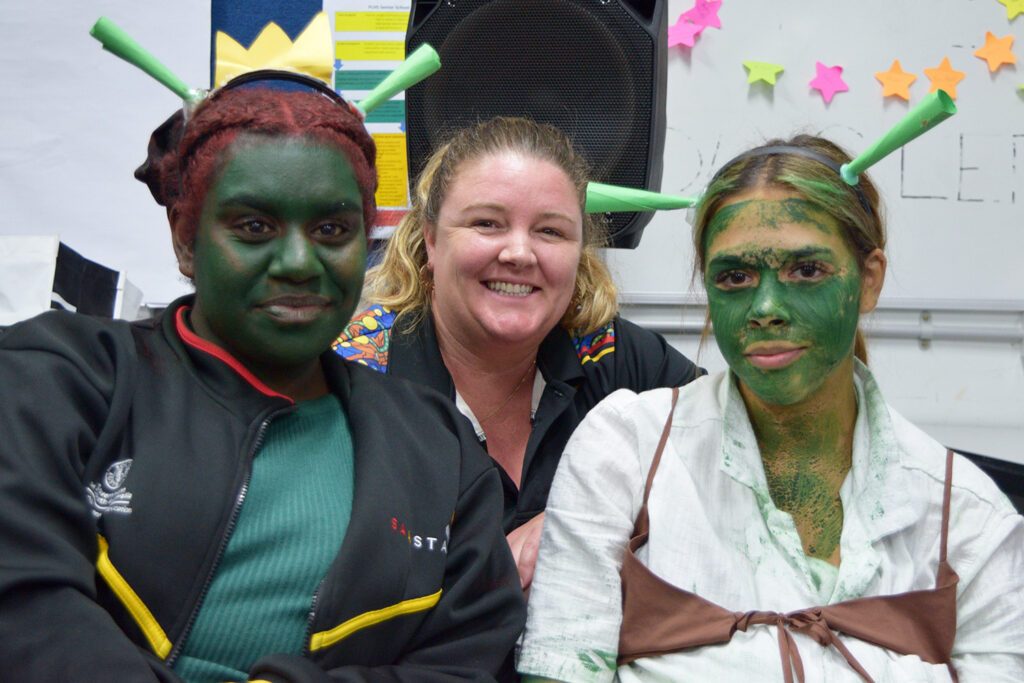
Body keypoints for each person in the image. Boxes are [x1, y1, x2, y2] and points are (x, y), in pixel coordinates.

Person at [0, 77, 525, 682]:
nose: (300, 263)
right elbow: (22, 601)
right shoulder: (60, 376)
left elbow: (468, 664)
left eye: (331, 230)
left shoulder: (441, 449)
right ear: (185, 240)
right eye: (254, 227)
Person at [517, 135, 1024, 682]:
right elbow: (560, 664)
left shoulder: (967, 520)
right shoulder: (626, 452)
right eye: (735, 277)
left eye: (806, 271)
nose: (765, 309)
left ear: (869, 279)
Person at [333, 117, 703, 587]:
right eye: (487, 224)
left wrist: (585, 516)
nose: (520, 253)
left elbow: (736, 452)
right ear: (430, 239)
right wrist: (487, 574)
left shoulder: (609, 352)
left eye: (550, 231)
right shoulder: (357, 373)